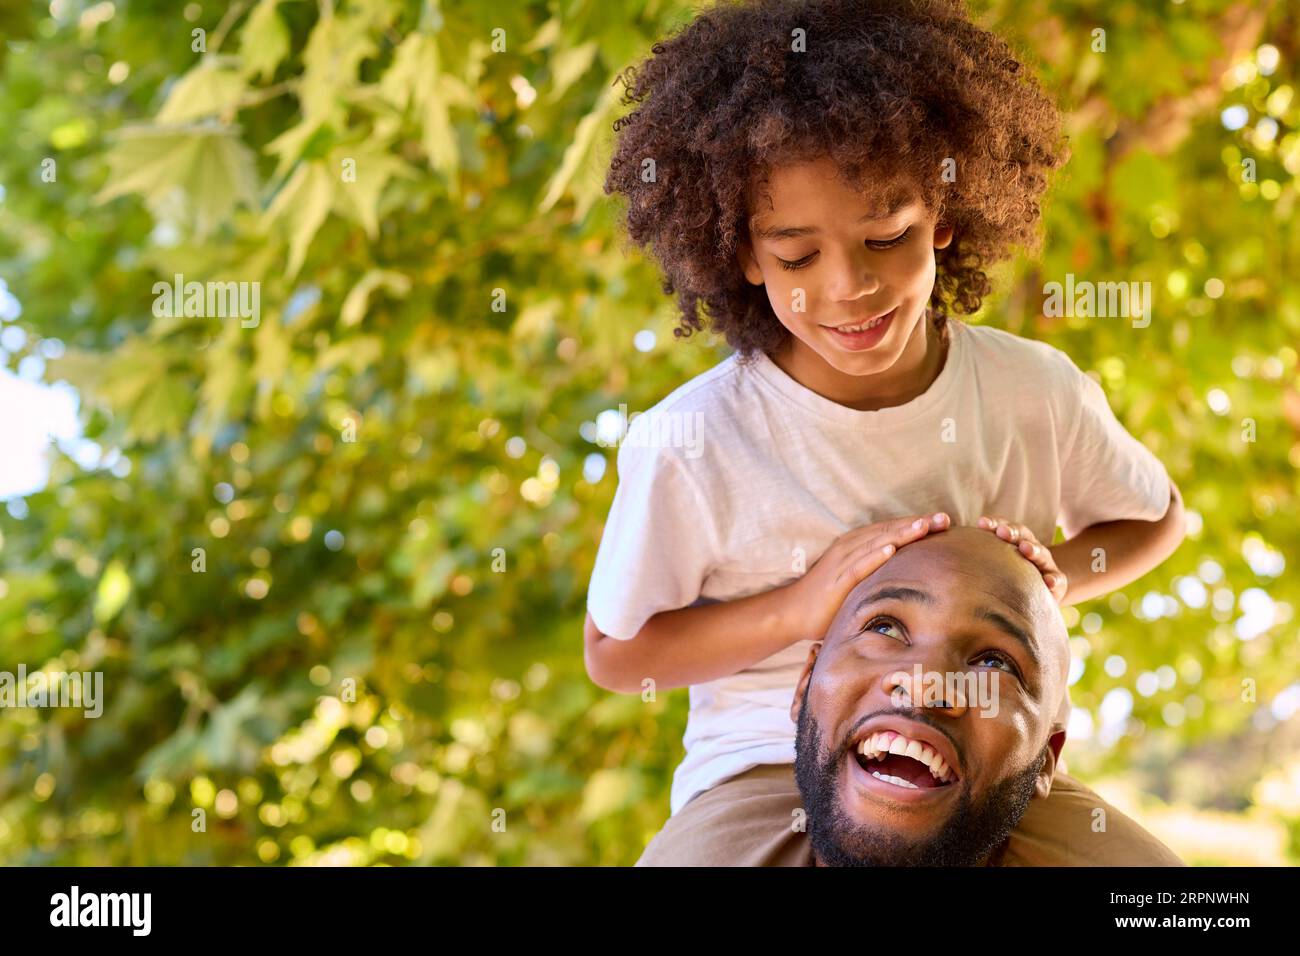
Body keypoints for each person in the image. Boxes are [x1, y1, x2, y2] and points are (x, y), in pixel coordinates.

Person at [585, 0, 1186, 865]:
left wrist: (1036, 589)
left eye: (886, 236)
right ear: (744, 255)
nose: (849, 287)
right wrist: (801, 608)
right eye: (798, 257)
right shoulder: (697, 438)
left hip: (980, 777)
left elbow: (1157, 518)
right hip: (767, 772)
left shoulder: (1031, 392)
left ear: (943, 215)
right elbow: (616, 654)